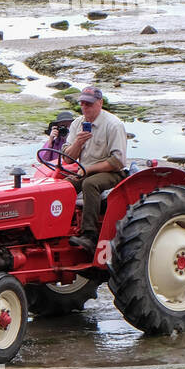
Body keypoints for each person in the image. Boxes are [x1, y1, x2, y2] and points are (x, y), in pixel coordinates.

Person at [61, 87, 128, 254]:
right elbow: (67, 159)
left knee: (90, 184)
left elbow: (117, 161)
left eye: (89, 104)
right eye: (82, 103)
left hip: (111, 172)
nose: (85, 107)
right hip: (86, 170)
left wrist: (88, 169)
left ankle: (89, 235)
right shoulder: (77, 124)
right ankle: (60, 229)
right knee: (63, 186)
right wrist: (78, 143)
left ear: (100, 103)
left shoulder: (113, 125)